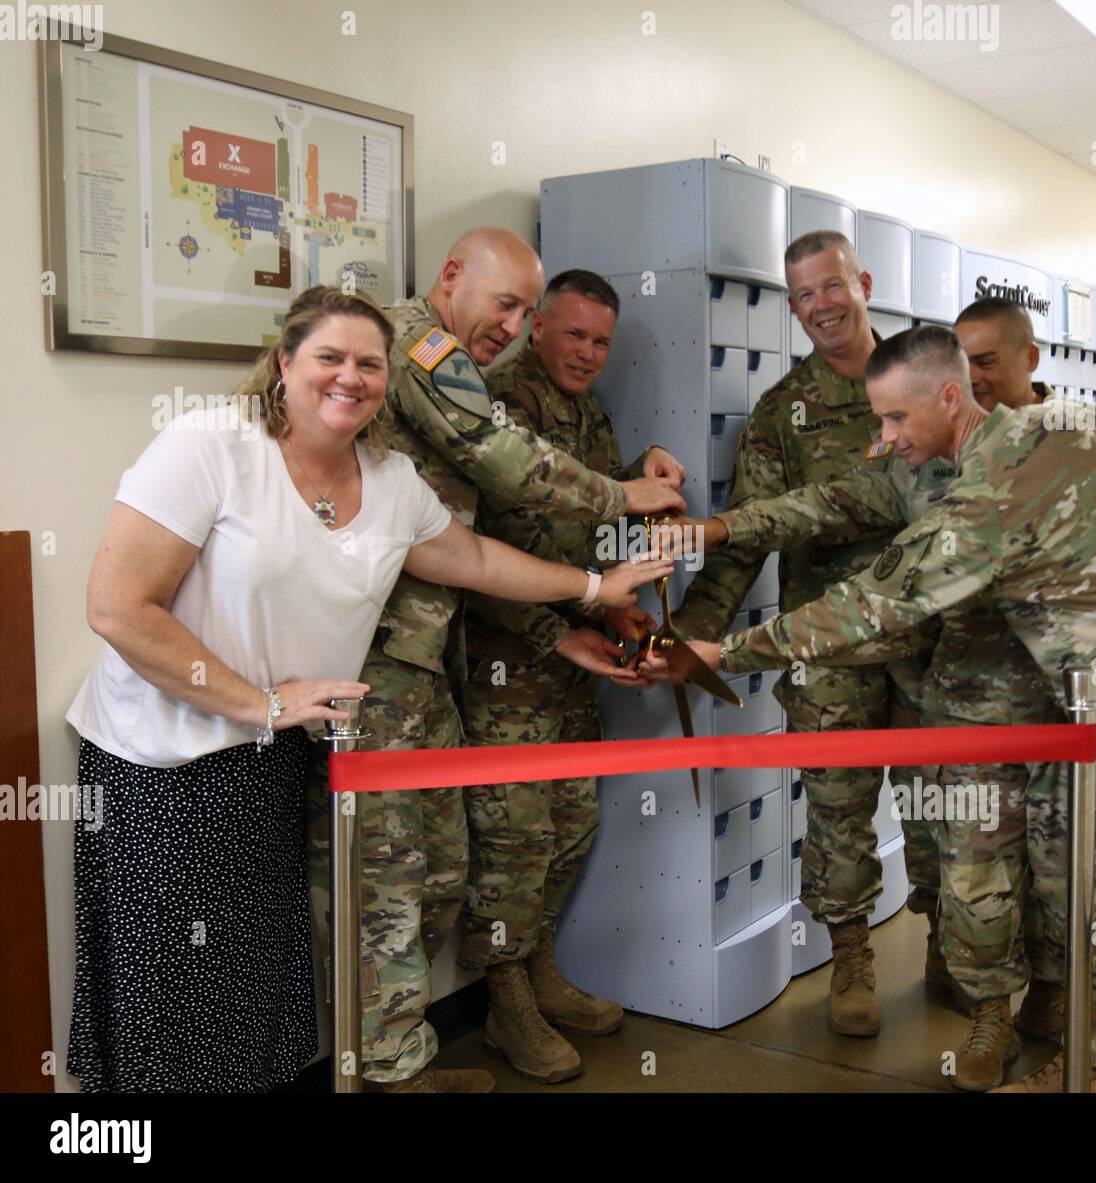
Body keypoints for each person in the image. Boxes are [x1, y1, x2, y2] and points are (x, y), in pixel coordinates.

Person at [64, 285, 670, 1093]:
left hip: (268, 755)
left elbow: (480, 561)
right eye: (328, 357)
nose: (349, 377)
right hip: (163, 760)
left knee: (254, 986)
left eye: (368, 364)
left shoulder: (388, 481)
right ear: (284, 363)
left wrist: (596, 587)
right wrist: (262, 703)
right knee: (176, 990)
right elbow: (116, 606)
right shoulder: (210, 445)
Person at [680, 324, 1096, 1093]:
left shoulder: (985, 498)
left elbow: (879, 603)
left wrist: (731, 652)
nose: (886, 437)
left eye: (897, 419)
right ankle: (1092, 1068)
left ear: (950, 397)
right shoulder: (1070, 423)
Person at [334, 228, 686, 1092]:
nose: (519, 326)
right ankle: (417, 1053)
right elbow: (508, 473)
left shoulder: (476, 373)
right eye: (512, 306)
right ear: (452, 278)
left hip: (430, 651)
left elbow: (474, 551)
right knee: (407, 873)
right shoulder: (417, 348)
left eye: (532, 311)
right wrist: (624, 496)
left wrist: (604, 563)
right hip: (379, 660)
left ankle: (427, 1043)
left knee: (449, 865)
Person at [671, 230, 951, 1040]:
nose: (821, 306)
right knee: (836, 810)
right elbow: (746, 538)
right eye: (802, 295)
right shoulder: (779, 413)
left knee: (939, 805)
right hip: (827, 648)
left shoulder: (918, 378)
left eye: (831, 286)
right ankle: (853, 954)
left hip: (928, 637)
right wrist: (694, 632)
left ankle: (948, 943)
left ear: (862, 282)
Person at [458, 269, 660, 1083]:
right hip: (507, 662)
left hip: (573, 657)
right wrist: (558, 628)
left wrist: (613, 614)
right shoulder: (498, 404)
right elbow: (480, 558)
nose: (588, 352)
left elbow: (592, 532)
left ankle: (539, 970)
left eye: (602, 340)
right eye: (573, 334)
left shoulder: (584, 411)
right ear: (537, 325)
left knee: (572, 826)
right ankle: (506, 1001)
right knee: (514, 836)